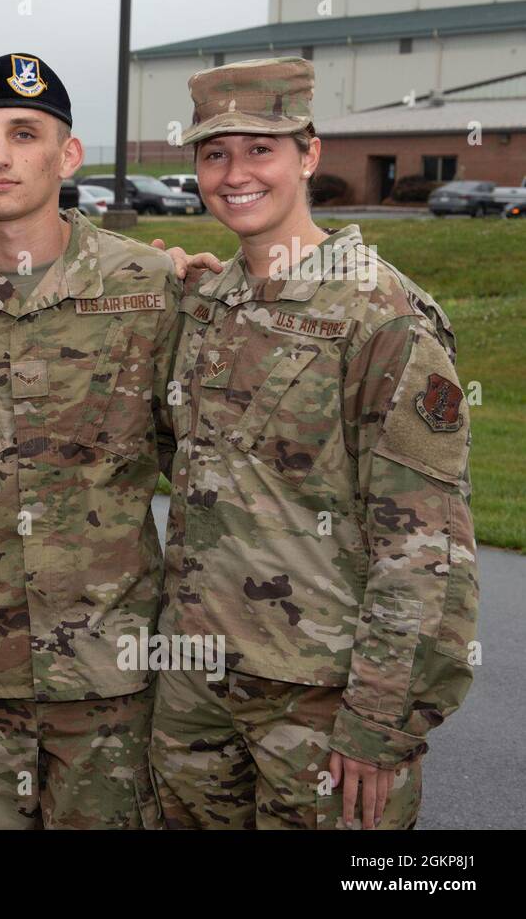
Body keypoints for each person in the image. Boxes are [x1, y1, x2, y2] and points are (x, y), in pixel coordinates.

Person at [149, 56, 478, 829]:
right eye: (214, 153)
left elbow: (427, 548)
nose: (235, 173)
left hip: (322, 704)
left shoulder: (381, 316)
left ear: (310, 153)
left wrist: (381, 721)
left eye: (260, 148)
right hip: (196, 691)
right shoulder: (209, 304)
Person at [0, 53, 177, 829]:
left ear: (68, 154)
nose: (1, 155)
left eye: (25, 132)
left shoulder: (152, 289)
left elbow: (207, 464)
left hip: (113, 676)